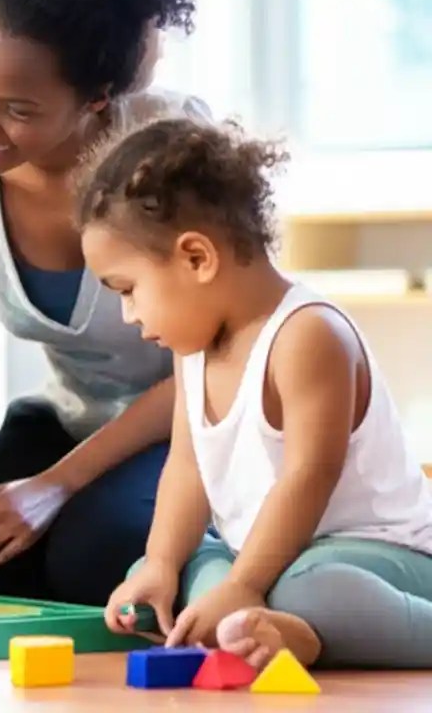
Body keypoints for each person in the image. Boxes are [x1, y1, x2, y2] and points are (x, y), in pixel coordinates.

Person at [86, 117, 432, 670]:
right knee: (158, 583)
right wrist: (159, 561)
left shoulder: (307, 334)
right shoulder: (192, 347)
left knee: (307, 590)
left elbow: (308, 476)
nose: (129, 315)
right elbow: (187, 465)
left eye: (129, 291)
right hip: (269, 556)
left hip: (378, 556)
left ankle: (298, 629)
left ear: (197, 258)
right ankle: (264, 630)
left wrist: (245, 583)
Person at [0, 0, 209, 605]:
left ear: (97, 96)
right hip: (68, 418)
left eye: (17, 108)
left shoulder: (173, 155)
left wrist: (56, 485)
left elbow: (214, 366)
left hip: (191, 423)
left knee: (94, 558)